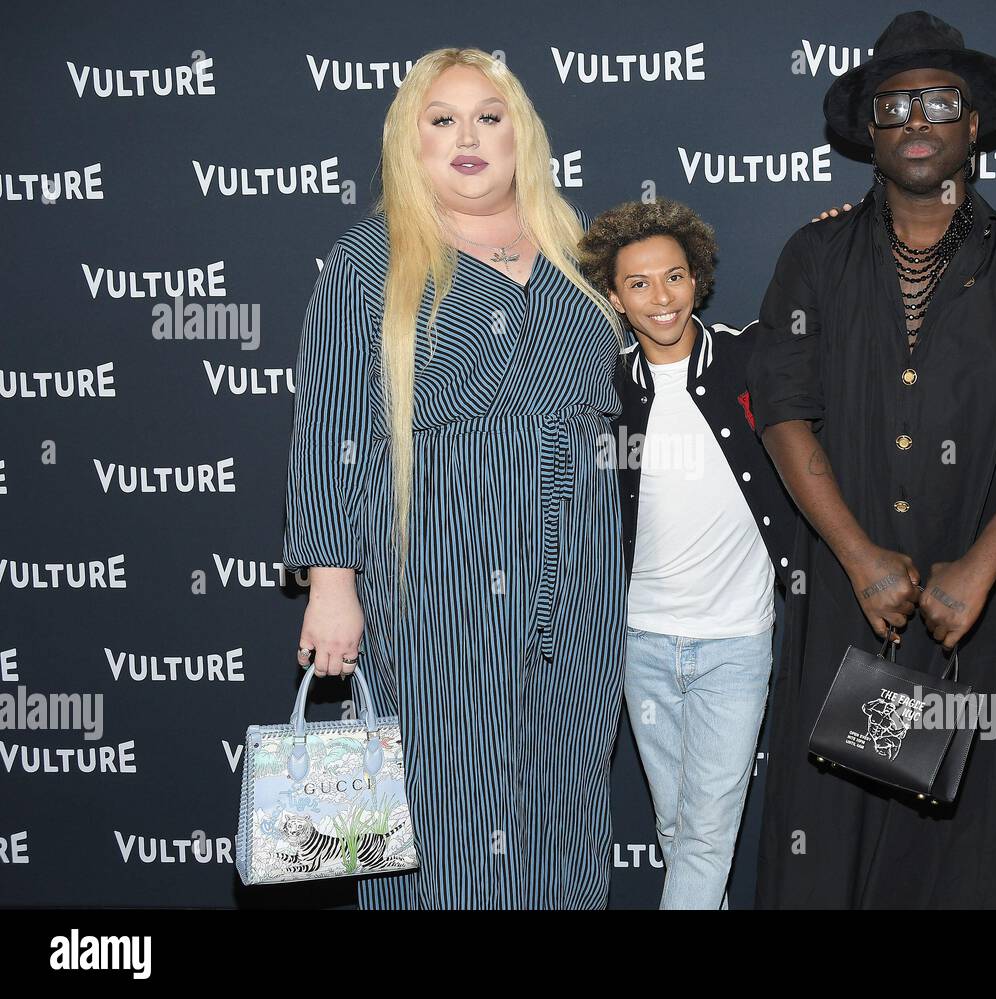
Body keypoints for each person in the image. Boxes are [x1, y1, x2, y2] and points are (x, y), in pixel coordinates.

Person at [747, 10, 996, 908]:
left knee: (954, 860)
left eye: (939, 101)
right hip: (842, 605)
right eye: (894, 103)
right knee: (824, 850)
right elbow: (784, 410)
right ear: (869, 127)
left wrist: (977, 571)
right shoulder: (814, 255)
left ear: (972, 123)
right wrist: (860, 557)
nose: (916, 118)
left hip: (962, 627)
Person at [281, 47, 628, 909]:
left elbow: (675, 351)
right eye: (442, 119)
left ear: (523, 137)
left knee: (565, 786)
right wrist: (332, 584)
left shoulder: (581, 259)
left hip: (575, 578)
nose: (466, 136)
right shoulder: (373, 259)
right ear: (412, 142)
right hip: (436, 571)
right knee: (439, 791)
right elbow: (330, 427)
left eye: (489, 116)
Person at [577, 200, 800, 908]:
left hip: (735, 642)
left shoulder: (752, 356)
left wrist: (850, 237)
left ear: (697, 279)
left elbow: (851, 321)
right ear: (613, 296)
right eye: (638, 283)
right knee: (681, 829)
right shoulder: (601, 388)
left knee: (705, 836)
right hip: (638, 643)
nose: (661, 296)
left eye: (674, 276)